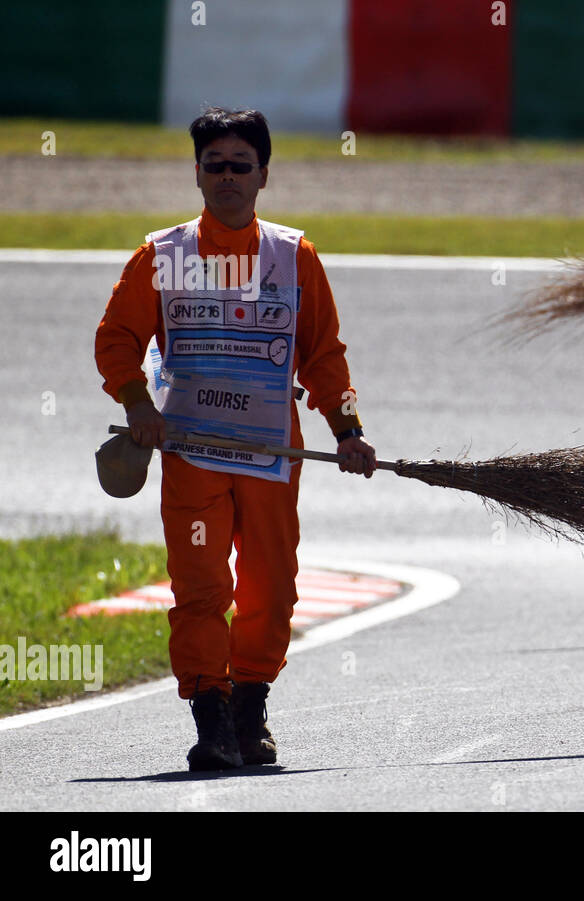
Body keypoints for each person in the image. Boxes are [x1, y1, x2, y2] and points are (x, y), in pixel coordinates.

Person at [95, 107, 377, 771]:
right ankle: (211, 716)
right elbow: (117, 341)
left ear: (264, 176)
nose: (227, 177)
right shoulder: (162, 255)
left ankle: (252, 704)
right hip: (192, 453)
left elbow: (324, 355)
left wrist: (350, 429)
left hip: (272, 456)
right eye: (214, 165)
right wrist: (138, 404)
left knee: (271, 589)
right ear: (196, 173)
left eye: (240, 166)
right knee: (200, 589)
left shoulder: (294, 256)